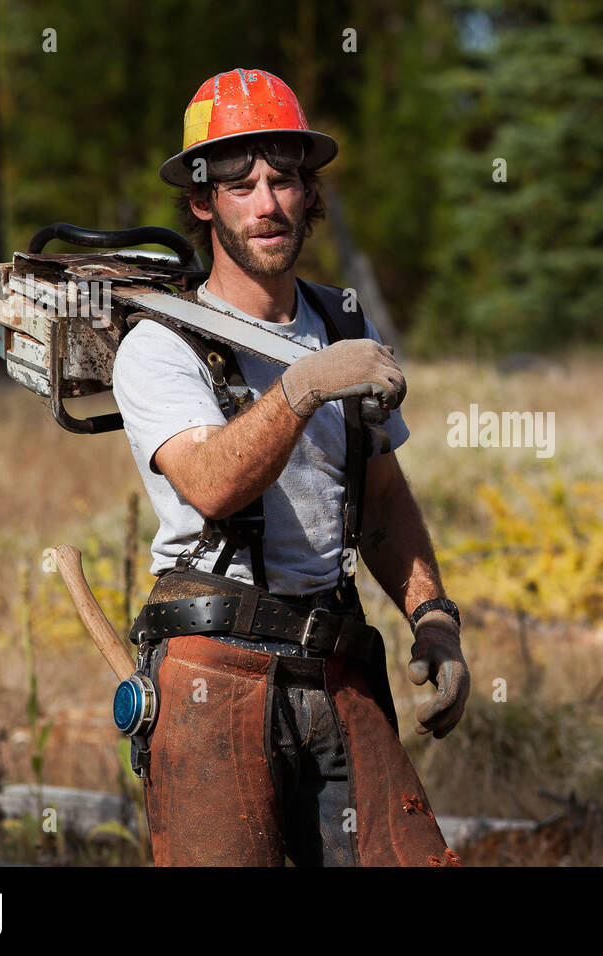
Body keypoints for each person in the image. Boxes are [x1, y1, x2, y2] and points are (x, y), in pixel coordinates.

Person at [110, 68, 468, 866]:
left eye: (285, 179)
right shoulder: (161, 343)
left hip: (335, 659)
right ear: (202, 202)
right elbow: (210, 482)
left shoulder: (342, 322)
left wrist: (434, 618)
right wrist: (303, 385)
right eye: (240, 184)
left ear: (311, 193)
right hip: (212, 670)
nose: (267, 204)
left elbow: (380, 502)